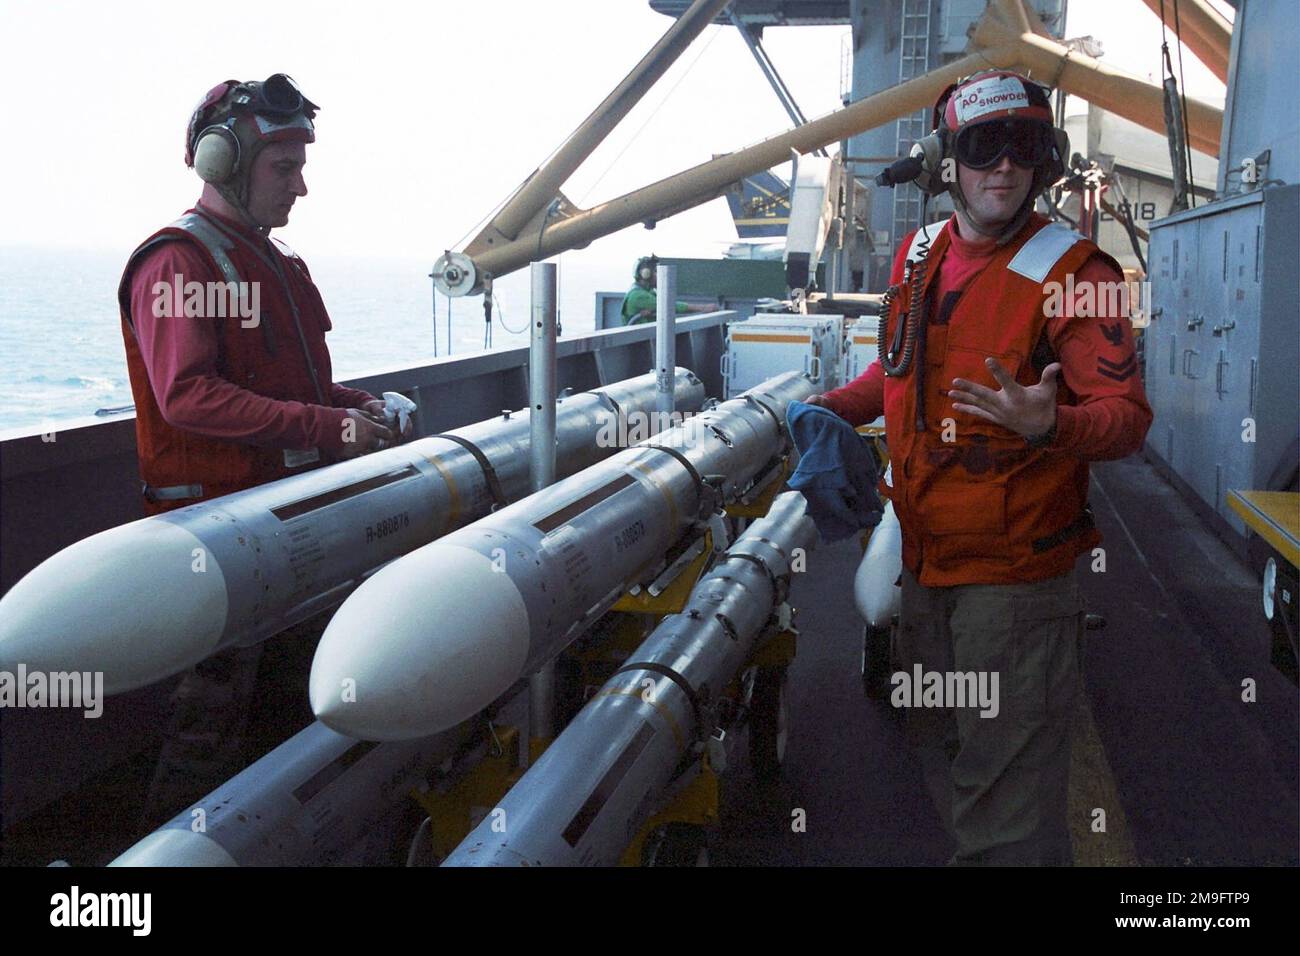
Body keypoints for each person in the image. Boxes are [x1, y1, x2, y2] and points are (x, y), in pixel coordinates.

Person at [808, 70, 1152, 865]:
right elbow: (892, 375)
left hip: (1014, 590)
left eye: (1024, 147)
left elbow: (1126, 420)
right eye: (981, 145)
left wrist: (1052, 424)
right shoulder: (919, 254)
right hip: (927, 571)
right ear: (943, 161)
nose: (1004, 165)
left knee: (1006, 811)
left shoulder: (1079, 275)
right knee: (949, 751)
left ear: (1046, 161)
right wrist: (828, 409)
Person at [117, 74, 410, 827]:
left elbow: (294, 384)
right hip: (216, 547)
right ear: (224, 163)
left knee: (288, 718)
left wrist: (355, 406)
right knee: (207, 738)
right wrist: (325, 427)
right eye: (285, 168)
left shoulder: (275, 264)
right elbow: (188, 396)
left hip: (287, 531)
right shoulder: (179, 263)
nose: (302, 187)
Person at [620, 255, 711, 324]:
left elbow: (662, 302)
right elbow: (668, 306)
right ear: (646, 274)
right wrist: (703, 308)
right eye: (655, 271)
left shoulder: (646, 291)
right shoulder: (638, 296)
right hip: (637, 343)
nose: (659, 274)